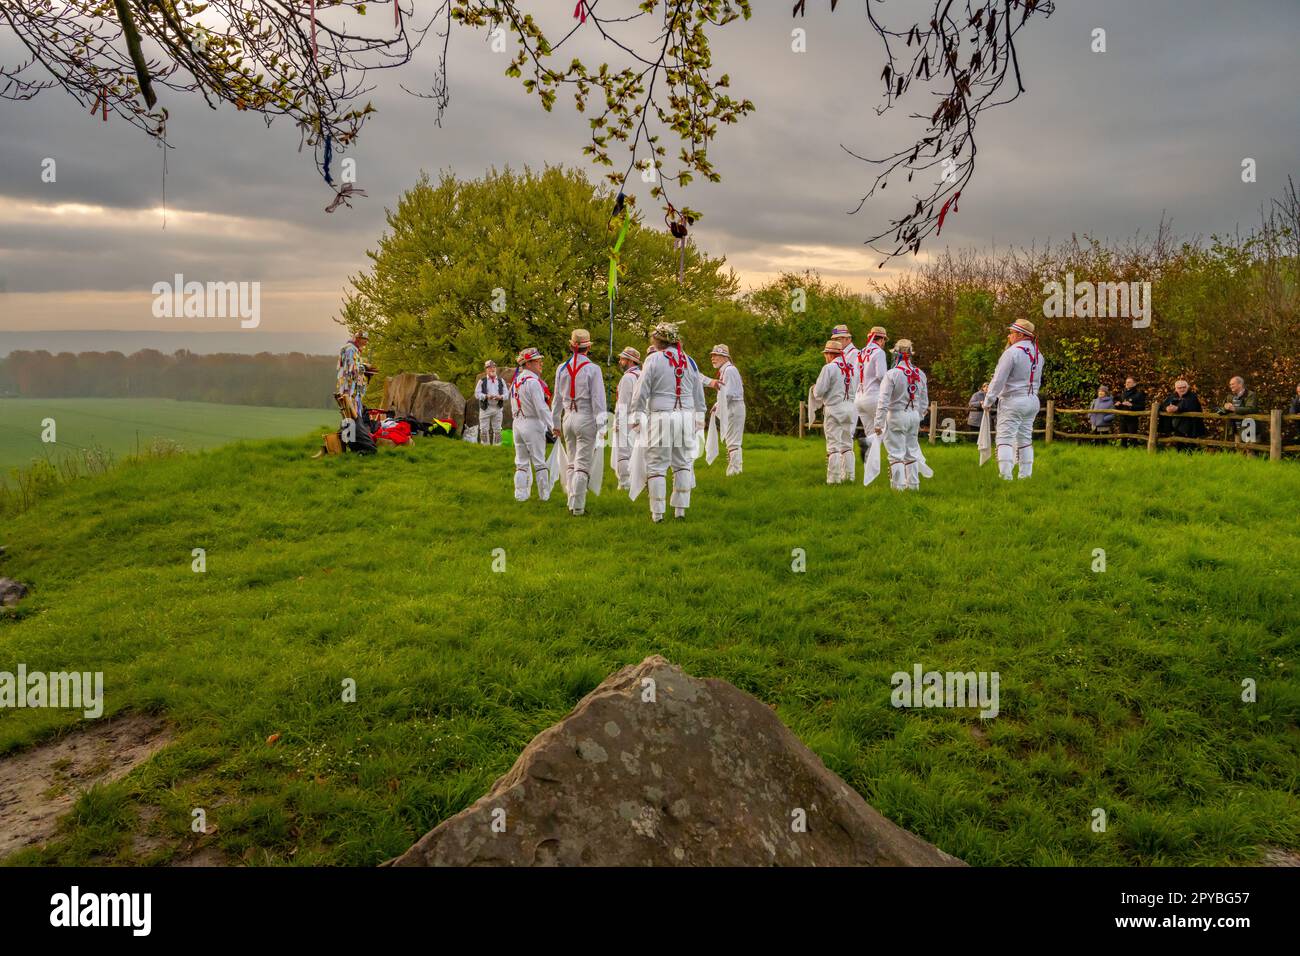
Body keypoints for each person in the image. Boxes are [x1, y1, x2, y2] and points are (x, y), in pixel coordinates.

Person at [630, 322, 705, 522]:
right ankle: (680, 510)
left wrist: (635, 415)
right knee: (682, 463)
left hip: (661, 416)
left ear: (658, 341)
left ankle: (658, 513)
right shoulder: (690, 361)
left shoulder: (653, 359)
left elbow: (641, 389)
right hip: (686, 416)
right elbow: (699, 392)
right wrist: (700, 416)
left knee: (656, 464)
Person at [552, 329, 607, 516]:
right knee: (582, 463)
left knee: (571, 461)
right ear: (588, 347)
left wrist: (556, 423)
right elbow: (598, 400)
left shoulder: (561, 368)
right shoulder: (593, 369)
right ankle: (578, 507)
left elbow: (557, 399)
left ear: (571, 345)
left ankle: (570, 501)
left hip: (567, 417)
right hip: (586, 417)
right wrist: (602, 426)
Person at [984, 319, 1043, 480]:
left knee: (1005, 438)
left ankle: (1005, 476)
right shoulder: (1038, 354)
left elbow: (998, 380)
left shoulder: (1011, 352)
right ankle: (1025, 475)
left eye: (1011, 333)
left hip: (1013, 400)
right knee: (1025, 438)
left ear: (1019, 334)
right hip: (1032, 399)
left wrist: (988, 400)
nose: (1009, 336)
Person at [873, 339, 928, 491]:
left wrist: (878, 423)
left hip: (896, 414)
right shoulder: (920, 374)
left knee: (896, 454)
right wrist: (919, 416)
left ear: (896, 355)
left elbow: (883, 401)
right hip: (913, 415)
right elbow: (924, 401)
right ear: (910, 355)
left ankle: (898, 488)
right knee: (911, 452)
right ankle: (913, 486)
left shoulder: (892, 374)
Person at [510, 347, 555, 502]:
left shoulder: (516, 380)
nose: (541, 363)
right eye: (537, 361)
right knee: (539, 462)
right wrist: (553, 426)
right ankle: (544, 496)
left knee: (521, 462)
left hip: (517, 423)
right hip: (532, 423)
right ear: (528, 364)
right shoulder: (533, 383)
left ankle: (520, 496)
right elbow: (541, 408)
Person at [812, 340, 857, 484]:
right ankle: (849, 477)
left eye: (826, 354)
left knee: (833, 446)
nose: (825, 357)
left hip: (835, 408)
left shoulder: (829, 368)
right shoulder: (852, 368)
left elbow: (819, 392)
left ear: (830, 354)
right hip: (850, 407)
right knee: (847, 444)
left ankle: (833, 479)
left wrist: (814, 389)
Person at [705, 344, 745, 476]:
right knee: (730, 440)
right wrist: (718, 404)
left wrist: (718, 405)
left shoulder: (729, 370)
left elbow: (730, 393)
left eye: (715, 355)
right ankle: (734, 470)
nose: (713, 358)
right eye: (712, 355)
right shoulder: (725, 370)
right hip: (730, 406)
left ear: (724, 357)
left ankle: (735, 471)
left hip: (734, 406)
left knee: (733, 440)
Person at [335, 330, 375, 454]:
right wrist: (365, 368)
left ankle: (351, 443)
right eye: (364, 339)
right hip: (349, 389)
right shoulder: (350, 349)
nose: (366, 342)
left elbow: (352, 366)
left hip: (351, 388)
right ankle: (350, 442)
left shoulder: (352, 348)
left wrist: (361, 366)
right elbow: (351, 369)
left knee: (351, 415)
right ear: (358, 338)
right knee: (351, 415)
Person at [854, 326, 888, 462]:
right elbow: (881, 375)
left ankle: (870, 466)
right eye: (884, 340)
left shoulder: (860, 352)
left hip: (859, 398)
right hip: (873, 396)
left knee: (871, 432)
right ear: (881, 340)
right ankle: (867, 443)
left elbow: (856, 375)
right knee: (888, 426)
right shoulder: (879, 352)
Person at [612, 346, 642, 490]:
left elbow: (623, 403)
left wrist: (618, 422)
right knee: (638, 451)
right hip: (642, 418)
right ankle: (639, 481)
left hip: (628, 418)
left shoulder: (627, 377)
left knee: (623, 452)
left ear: (630, 361)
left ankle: (625, 483)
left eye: (622, 359)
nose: (620, 361)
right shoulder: (642, 375)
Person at [1161, 380, 1206, 444]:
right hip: (1177, 425)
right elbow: (1163, 405)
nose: (1182, 389)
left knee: (1191, 444)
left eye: (1184, 387)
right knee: (1179, 443)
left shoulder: (1192, 396)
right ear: (1176, 389)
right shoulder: (1172, 396)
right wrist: (1167, 408)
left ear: (1187, 387)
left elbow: (1189, 405)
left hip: (1191, 425)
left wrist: (1177, 408)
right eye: (1180, 388)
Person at [474, 360, 507, 445]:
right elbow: (477, 394)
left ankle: (497, 447)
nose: (492, 369)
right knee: (484, 429)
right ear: (486, 370)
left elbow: (507, 394)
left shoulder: (501, 381)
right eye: (489, 367)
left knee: (498, 429)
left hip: (497, 408)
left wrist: (500, 397)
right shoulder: (482, 381)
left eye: (493, 367)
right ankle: (485, 447)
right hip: (485, 408)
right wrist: (486, 396)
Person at [1115, 377, 1147, 442]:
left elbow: (1142, 407)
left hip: (1132, 419)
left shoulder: (1138, 394)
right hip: (1122, 418)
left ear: (1134, 384)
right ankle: (1123, 451)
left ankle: (1134, 450)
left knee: (1133, 438)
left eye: (1129, 382)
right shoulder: (1123, 393)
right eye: (1126, 382)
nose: (1127, 383)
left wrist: (1131, 405)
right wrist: (1118, 405)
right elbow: (1121, 406)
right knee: (1123, 439)